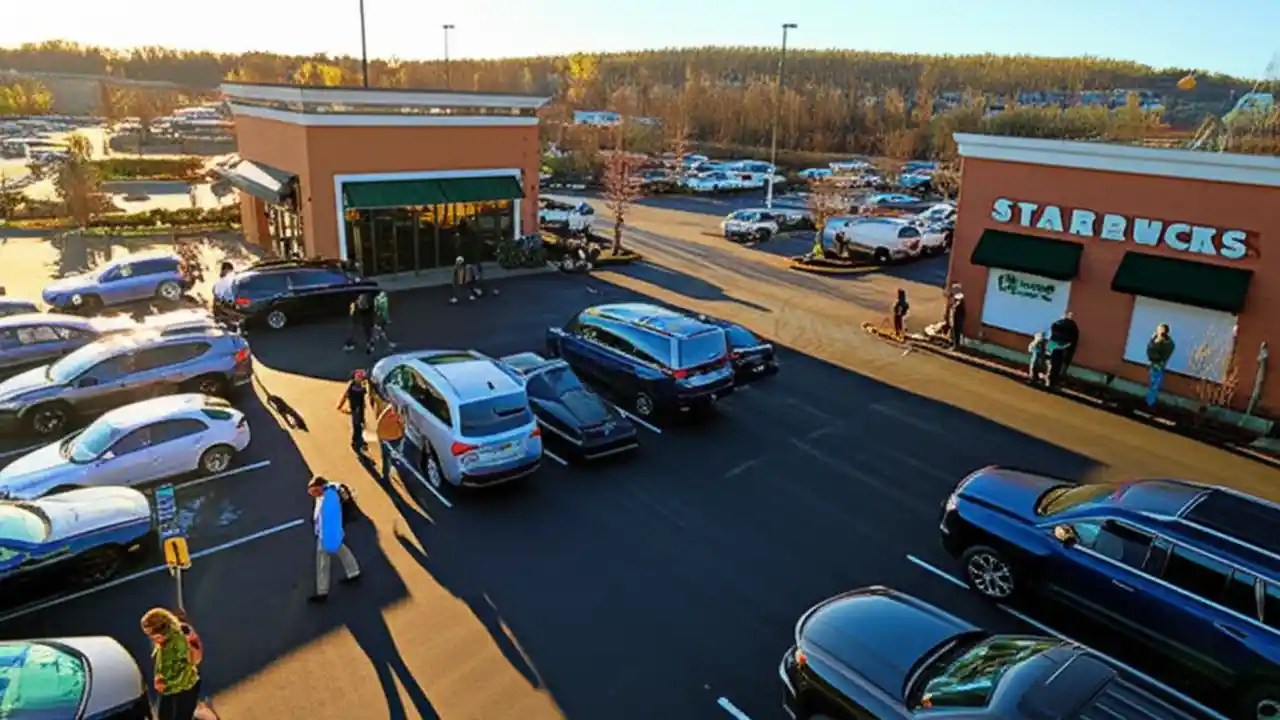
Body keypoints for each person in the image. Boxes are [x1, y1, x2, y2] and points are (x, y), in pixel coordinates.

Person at [141, 607, 201, 720]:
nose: (151, 638)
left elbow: (184, 670)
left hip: (183, 689)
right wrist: (159, 677)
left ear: (162, 630)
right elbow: (162, 663)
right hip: (170, 688)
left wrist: (165, 682)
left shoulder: (178, 642)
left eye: (152, 634)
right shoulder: (163, 642)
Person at [308, 476, 361, 603]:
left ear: (320, 487)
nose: (313, 495)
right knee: (341, 550)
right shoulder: (325, 494)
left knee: (322, 559)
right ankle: (353, 571)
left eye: (314, 491)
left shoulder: (329, 497)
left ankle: (322, 592)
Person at [337, 369, 369, 453]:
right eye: (360, 378)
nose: (361, 380)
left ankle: (359, 439)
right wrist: (340, 406)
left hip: (360, 408)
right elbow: (345, 395)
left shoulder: (362, 386)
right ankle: (355, 442)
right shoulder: (352, 386)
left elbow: (363, 397)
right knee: (357, 425)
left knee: (361, 423)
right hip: (355, 409)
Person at [374, 402, 405, 483]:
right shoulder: (399, 411)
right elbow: (402, 423)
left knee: (385, 456)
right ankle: (393, 467)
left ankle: (386, 476)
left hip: (383, 435)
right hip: (393, 436)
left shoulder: (389, 409)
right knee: (393, 454)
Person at [1146, 323, 1175, 407]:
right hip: (1152, 364)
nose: (1157, 331)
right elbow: (1149, 348)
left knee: (1154, 384)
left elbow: (1163, 355)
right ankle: (1149, 401)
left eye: (1159, 330)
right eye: (1157, 329)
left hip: (1158, 366)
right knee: (1152, 383)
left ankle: (1150, 403)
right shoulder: (1154, 338)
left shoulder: (1168, 343)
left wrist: (1158, 343)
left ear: (1164, 331)